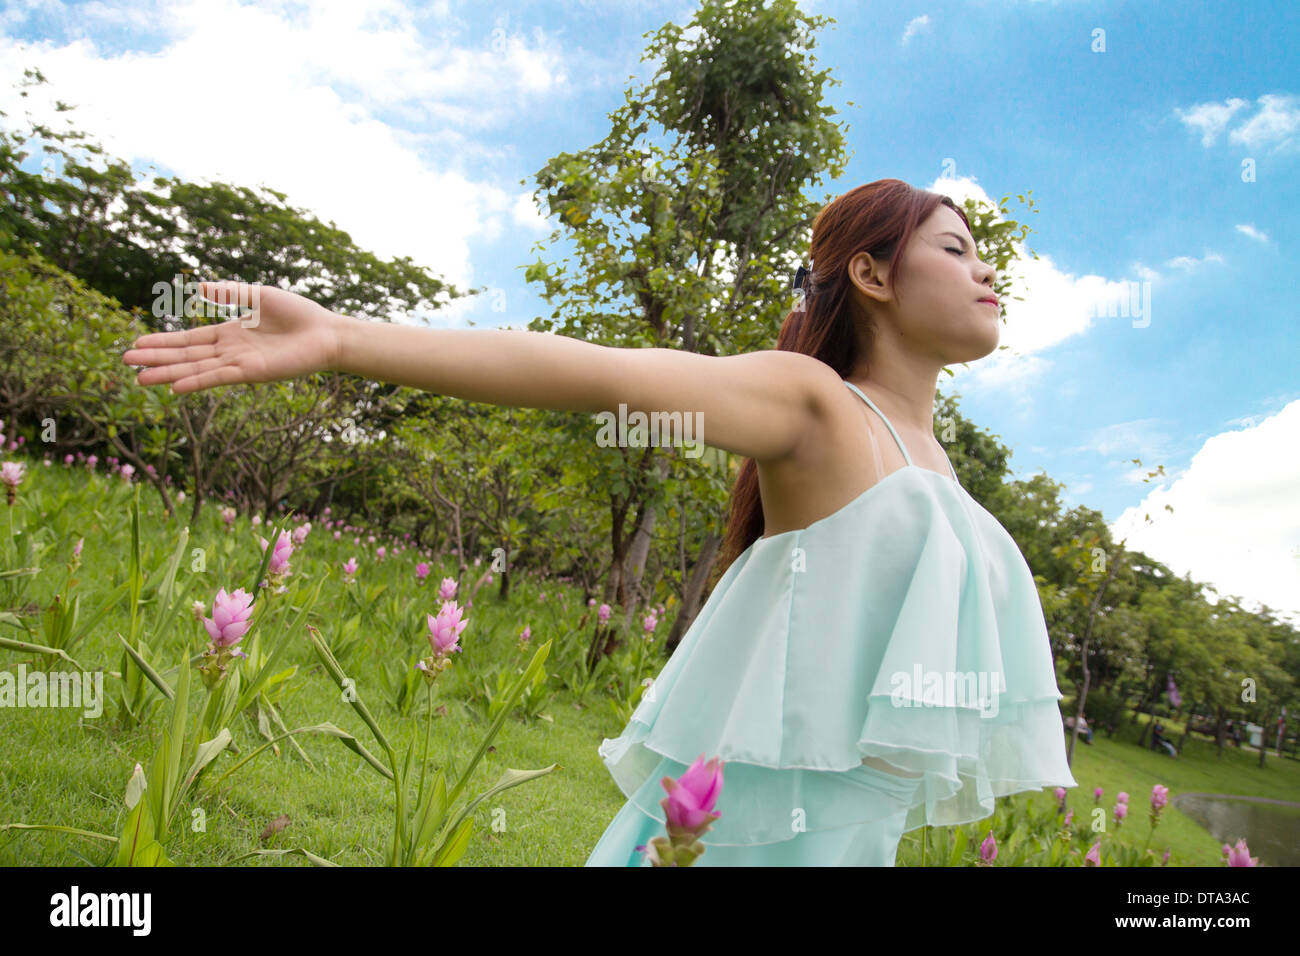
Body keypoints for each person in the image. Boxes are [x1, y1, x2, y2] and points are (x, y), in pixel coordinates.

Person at [122, 178, 1079, 866]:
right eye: (954, 249)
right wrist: (341, 338)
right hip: (740, 833)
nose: (984, 270)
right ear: (872, 276)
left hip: (846, 839)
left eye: (981, 252)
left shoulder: (940, 464)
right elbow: (601, 372)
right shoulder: (818, 404)